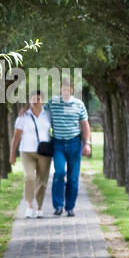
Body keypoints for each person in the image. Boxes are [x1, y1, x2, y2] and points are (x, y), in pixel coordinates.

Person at [44, 76, 91, 218]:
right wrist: (25, 110)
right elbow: (39, 114)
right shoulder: (53, 102)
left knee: (73, 178)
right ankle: (58, 206)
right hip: (58, 143)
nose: (65, 91)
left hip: (74, 144)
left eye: (68, 89)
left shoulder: (79, 104)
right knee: (59, 173)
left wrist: (87, 143)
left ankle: (70, 207)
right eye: (63, 88)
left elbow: (85, 124)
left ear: (72, 90)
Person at [10, 90, 53, 219]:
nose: (36, 101)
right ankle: (29, 205)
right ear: (30, 101)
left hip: (44, 152)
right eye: (33, 98)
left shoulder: (49, 114)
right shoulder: (23, 116)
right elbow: (16, 136)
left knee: (42, 181)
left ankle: (39, 207)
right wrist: (12, 154)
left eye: (39, 99)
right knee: (29, 177)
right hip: (26, 151)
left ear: (43, 101)